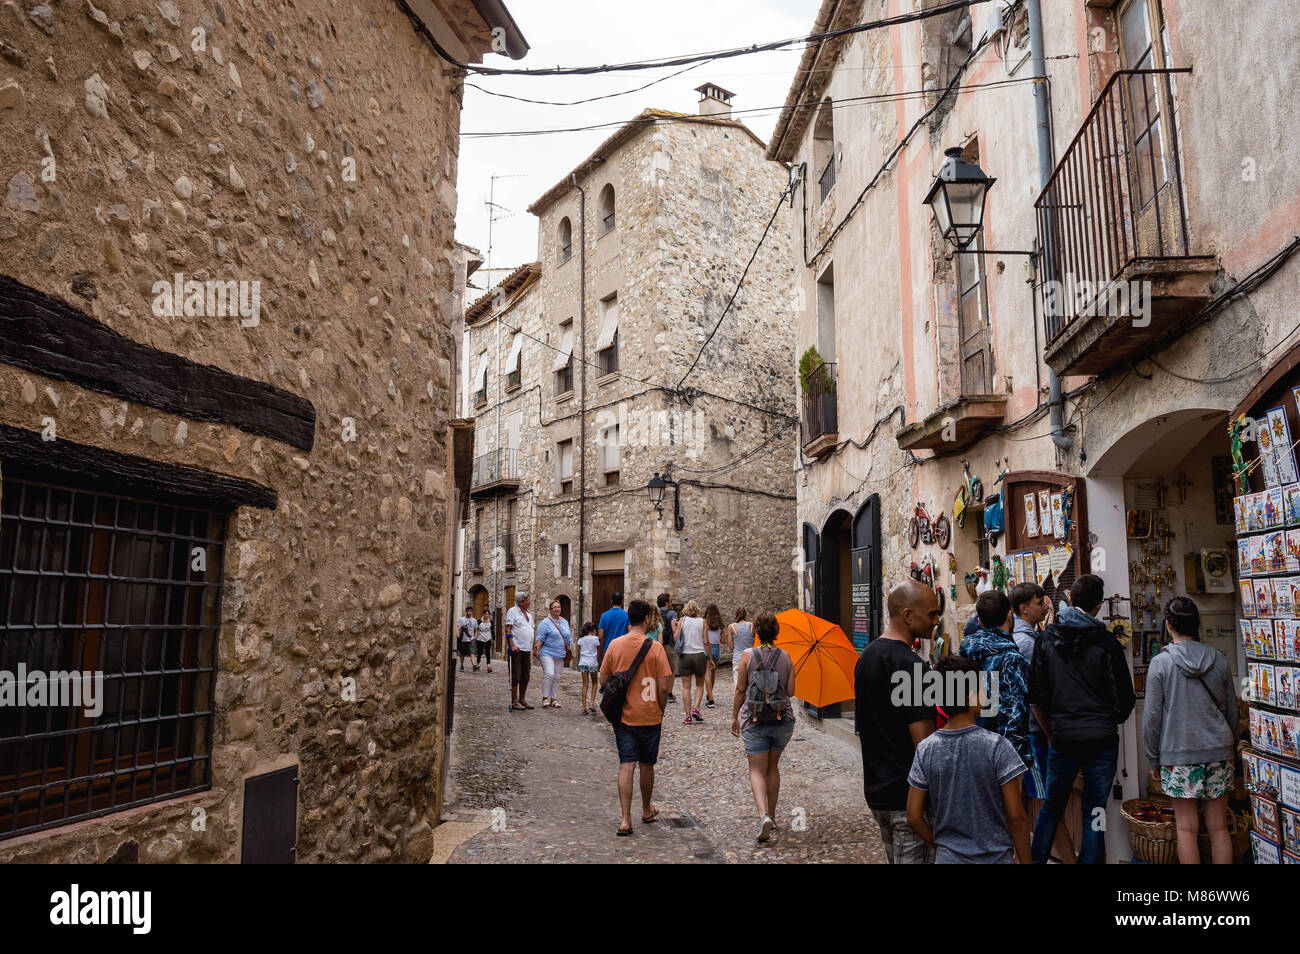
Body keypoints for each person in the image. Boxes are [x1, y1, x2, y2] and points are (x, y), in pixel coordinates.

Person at [1028, 573, 1135, 864]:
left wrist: (1054, 727)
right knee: (1095, 810)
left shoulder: (1048, 637)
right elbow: (1124, 697)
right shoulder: (1106, 642)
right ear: (1099, 606)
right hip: (1100, 739)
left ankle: (1034, 861)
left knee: (1051, 806)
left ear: (1070, 600)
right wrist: (1108, 720)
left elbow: (1037, 692)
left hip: (1064, 736)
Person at [906, 654, 1031, 864]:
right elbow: (1017, 818)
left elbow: (913, 816)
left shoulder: (926, 749)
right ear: (970, 697)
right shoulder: (998, 747)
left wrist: (941, 847)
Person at [1142, 596, 1238, 864]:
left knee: (1186, 829)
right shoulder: (1218, 659)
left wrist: (1153, 757)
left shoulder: (1161, 663)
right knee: (1219, 827)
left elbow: (1152, 717)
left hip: (1178, 754)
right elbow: (1232, 710)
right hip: (1220, 751)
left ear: (1168, 625)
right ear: (1196, 624)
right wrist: (1229, 749)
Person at [854, 580, 939, 863]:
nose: (936, 621)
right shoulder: (913, 666)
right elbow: (924, 746)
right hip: (907, 798)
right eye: (931, 614)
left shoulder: (866, 657)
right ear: (907, 616)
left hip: (878, 791)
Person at [959, 590, 1041, 807]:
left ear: (980, 621)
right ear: (1009, 616)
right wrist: (1017, 762)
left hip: (968, 749)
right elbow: (1013, 716)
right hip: (1000, 756)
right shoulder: (1012, 659)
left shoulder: (964, 651)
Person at [599, 599, 674, 836]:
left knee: (626, 764)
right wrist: (660, 708)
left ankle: (624, 819)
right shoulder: (656, 648)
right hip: (650, 716)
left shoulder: (615, 645)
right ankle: (645, 808)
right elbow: (664, 687)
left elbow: (602, 681)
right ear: (647, 619)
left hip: (624, 717)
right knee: (647, 764)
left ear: (628, 619)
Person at [1009, 580, 1072, 862]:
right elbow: (1035, 696)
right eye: (1039, 602)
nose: (1045, 605)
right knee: (1048, 801)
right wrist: (1049, 731)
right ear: (1024, 608)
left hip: (1028, 732)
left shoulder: (1028, 637)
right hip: (1033, 734)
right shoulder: (1025, 643)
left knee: (1027, 800)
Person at [731, 611, 796, 843]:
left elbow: (740, 690)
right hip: (782, 721)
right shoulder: (786, 656)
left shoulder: (748, 656)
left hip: (755, 719)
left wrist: (734, 716)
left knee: (756, 770)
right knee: (773, 768)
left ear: (756, 631)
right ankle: (774, 816)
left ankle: (763, 816)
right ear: (776, 631)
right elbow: (790, 692)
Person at [674, 600, 710, 724]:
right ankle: (696, 708)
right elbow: (705, 641)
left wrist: (675, 627)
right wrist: (709, 656)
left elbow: (676, 638)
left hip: (685, 655)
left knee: (686, 686)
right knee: (700, 684)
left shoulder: (682, 621)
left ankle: (688, 716)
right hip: (699, 655)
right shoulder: (703, 622)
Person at [534, 598, 572, 709]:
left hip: (560, 653)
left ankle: (554, 699)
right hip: (547, 653)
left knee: (557, 677)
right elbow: (540, 638)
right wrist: (537, 649)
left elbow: (568, 637)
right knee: (549, 674)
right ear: (550, 610)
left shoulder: (565, 622)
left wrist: (568, 648)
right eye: (554, 607)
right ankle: (545, 698)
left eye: (558, 607)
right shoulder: (545, 623)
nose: (557, 609)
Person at [506, 592, 536, 712]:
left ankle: (522, 699)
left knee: (526, 675)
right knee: (516, 675)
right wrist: (512, 644)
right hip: (517, 649)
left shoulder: (528, 614)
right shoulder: (512, 611)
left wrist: (534, 645)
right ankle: (514, 701)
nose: (529, 601)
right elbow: (508, 629)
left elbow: (531, 630)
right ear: (521, 602)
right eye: (527, 600)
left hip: (527, 649)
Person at [596, 592, 629, 665]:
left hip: (608, 649)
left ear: (611, 601)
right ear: (622, 602)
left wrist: (601, 651)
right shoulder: (626, 616)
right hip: (623, 650)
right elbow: (630, 632)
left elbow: (600, 636)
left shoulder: (604, 616)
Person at [658, 593, 679, 703]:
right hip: (669, 645)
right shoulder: (672, 613)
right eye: (670, 601)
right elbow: (674, 626)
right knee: (671, 670)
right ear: (666, 603)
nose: (672, 603)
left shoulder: (655, 613)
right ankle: (669, 693)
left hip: (657, 645)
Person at [577, 622, 600, 715]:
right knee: (594, 683)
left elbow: (580, 649)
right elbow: (597, 648)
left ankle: (583, 707)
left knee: (585, 684)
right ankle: (591, 703)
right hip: (593, 663)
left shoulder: (581, 639)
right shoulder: (595, 639)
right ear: (593, 630)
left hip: (583, 663)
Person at [703, 603, 724, 708]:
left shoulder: (705, 622)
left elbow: (703, 638)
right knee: (713, 673)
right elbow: (723, 641)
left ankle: (711, 699)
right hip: (716, 648)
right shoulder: (720, 624)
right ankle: (709, 693)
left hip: (707, 648)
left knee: (707, 672)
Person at [475, 608, 494, 673]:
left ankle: (488, 666)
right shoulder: (479, 621)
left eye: (488, 614)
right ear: (483, 614)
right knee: (479, 653)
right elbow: (477, 630)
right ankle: (478, 665)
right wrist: (475, 637)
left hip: (488, 639)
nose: (487, 615)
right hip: (480, 639)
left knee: (488, 653)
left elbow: (492, 630)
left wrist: (493, 638)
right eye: (486, 614)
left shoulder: (491, 621)